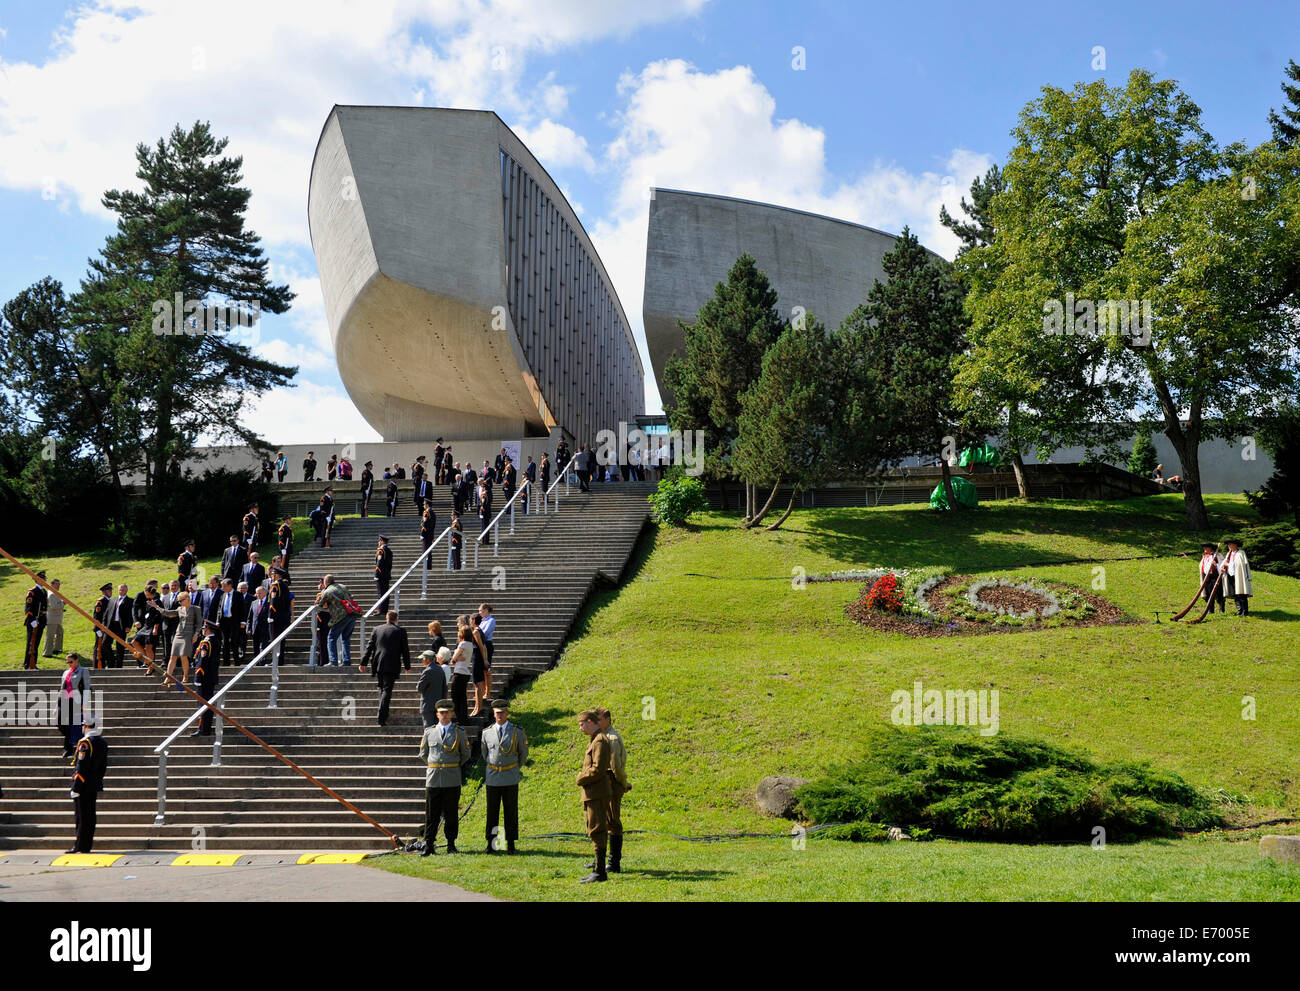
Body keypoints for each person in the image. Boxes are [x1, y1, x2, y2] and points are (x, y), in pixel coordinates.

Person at [418, 700, 471, 855]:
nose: (444, 715)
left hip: (451, 778)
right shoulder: (429, 732)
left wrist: (452, 766)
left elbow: (465, 754)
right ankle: (429, 844)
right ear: (437, 714)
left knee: (451, 813)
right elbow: (423, 754)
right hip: (434, 778)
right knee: (431, 813)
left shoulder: (459, 732)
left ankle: (451, 844)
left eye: (447, 712)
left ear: (452, 714)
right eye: (442, 712)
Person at [482, 698, 528, 854]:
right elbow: (485, 754)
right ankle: (493, 843)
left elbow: (523, 754)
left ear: (507, 713)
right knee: (492, 811)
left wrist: (514, 768)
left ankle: (510, 843)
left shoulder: (517, 731)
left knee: (510, 810)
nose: (500, 715)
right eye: (497, 713)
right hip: (493, 777)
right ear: (494, 714)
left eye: (502, 713)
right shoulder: (486, 732)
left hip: (510, 776)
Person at [576, 709, 614, 882]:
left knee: (598, 830)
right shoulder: (595, 740)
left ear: (591, 722)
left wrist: (581, 777)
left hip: (597, 792)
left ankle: (599, 871)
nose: (580, 728)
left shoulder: (600, 741)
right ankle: (598, 869)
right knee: (594, 829)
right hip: (593, 792)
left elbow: (598, 769)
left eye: (582, 724)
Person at [595, 707, 630, 873]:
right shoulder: (601, 737)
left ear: (608, 719)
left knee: (613, 821)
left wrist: (623, 783)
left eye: (600, 719)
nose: (597, 723)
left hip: (612, 782)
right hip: (603, 784)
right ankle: (600, 860)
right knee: (602, 821)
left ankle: (613, 862)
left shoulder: (612, 738)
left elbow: (616, 766)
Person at [68, 714, 108, 854]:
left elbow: (81, 767)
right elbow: (103, 766)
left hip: (83, 785)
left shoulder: (85, 743)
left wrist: (76, 786)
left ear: (86, 726)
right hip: (94, 783)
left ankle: (80, 845)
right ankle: (86, 844)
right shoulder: (102, 742)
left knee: (81, 817)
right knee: (90, 816)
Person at [361, 609, 410, 725]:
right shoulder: (400, 631)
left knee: (382, 688)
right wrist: (407, 665)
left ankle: (384, 711)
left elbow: (369, 647)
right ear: (396, 619)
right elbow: (405, 650)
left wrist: (363, 662)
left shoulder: (377, 629)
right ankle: (382, 716)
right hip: (392, 664)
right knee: (387, 689)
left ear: (386, 618)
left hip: (378, 663)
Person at [158, 591, 201, 690]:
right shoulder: (179, 609)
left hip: (189, 634)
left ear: (187, 599)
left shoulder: (196, 609)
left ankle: (185, 676)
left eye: (181, 600)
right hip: (179, 634)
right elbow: (169, 613)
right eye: (178, 601)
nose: (179, 602)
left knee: (183, 656)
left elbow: (199, 623)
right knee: (173, 656)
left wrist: (196, 634)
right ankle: (168, 677)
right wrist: (158, 608)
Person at [317, 574, 357, 667]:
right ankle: (346, 661)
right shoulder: (343, 586)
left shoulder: (327, 591)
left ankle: (333, 661)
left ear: (325, 582)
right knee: (346, 638)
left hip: (340, 616)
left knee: (331, 638)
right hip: (351, 615)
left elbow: (320, 604)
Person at [58, 653, 92, 758]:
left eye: (71, 662)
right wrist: (56, 705)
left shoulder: (83, 671)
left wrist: (84, 703)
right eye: (67, 662)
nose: (69, 664)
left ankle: (69, 749)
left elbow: (87, 688)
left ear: (77, 660)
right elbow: (61, 688)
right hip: (64, 701)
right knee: (61, 724)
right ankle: (70, 744)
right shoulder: (66, 672)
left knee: (74, 725)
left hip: (76, 701)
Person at [191, 620, 220, 736]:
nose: (202, 630)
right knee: (207, 703)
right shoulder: (215, 641)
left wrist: (198, 677)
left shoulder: (206, 643)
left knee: (203, 704)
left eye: (204, 628)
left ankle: (203, 729)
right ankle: (205, 728)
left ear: (208, 629)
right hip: (210, 677)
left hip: (204, 678)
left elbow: (203, 662)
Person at [23, 570, 49, 669]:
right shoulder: (32, 592)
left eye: (45, 579)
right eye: (43, 579)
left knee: (36, 642)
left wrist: (44, 620)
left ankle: (33, 663)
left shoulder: (44, 591)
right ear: (38, 580)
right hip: (33, 620)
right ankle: (28, 664)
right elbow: (28, 607)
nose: (45, 580)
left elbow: (44, 607)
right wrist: (31, 619)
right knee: (31, 642)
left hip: (41, 620)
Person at [449, 623, 474, 725]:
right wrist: (457, 658)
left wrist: (455, 658)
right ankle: (464, 719)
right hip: (465, 673)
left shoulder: (462, 644)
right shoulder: (470, 644)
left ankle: (461, 719)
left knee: (455, 696)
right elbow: (458, 657)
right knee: (462, 697)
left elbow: (453, 659)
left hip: (459, 672)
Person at [268, 565, 292, 665]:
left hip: (276, 617)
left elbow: (273, 601)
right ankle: (279, 660)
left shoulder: (275, 585)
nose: (271, 575)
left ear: (277, 575)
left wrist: (270, 615)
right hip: (283, 616)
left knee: (275, 639)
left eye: (273, 573)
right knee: (281, 640)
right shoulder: (284, 585)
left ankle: (275, 660)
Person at [216, 579, 243, 668]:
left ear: (230, 585)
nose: (222, 588)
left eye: (224, 586)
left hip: (234, 621)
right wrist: (218, 620)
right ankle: (226, 663)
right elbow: (220, 609)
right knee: (225, 642)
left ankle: (236, 662)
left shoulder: (238, 595)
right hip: (224, 622)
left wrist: (243, 621)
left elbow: (242, 608)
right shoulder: (223, 595)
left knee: (234, 641)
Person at [416, 649, 446, 728]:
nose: (422, 661)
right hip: (438, 704)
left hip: (427, 705)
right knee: (437, 729)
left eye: (423, 659)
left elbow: (419, 688)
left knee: (428, 729)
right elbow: (444, 687)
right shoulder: (440, 669)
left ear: (427, 660)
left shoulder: (427, 671)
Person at [1223, 538, 1253, 616]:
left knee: (1241, 593)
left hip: (1239, 576)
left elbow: (1239, 565)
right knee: (1235, 594)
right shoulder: (1229, 554)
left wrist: (1228, 565)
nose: (1229, 546)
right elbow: (1224, 563)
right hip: (1230, 576)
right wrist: (1223, 567)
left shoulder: (1240, 553)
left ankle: (1245, 611)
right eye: (1228, 545)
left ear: (1235, 545)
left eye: (1231, 544)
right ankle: (1239, 610)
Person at [105, 583, 132, 669]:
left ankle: (119, 665)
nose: (121, 591)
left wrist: (129, 626)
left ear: (126, 591)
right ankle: (111, 661)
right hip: (111, 625)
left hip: (121, 626)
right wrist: (103, 625)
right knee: (105, 643)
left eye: (123, 590)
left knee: (120, 646)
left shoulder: (130, 601)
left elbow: (131, 615)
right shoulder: (112, 600)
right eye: (120, 589)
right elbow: (107, 613)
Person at [40, 578, 66, 658]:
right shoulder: (51, 594)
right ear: (52, 585)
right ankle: (47, 653)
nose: (58, 586)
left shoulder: (55, 593)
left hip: (57, 619)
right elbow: (54, 606)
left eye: (59, 584)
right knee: (50, 636)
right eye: (57, 584)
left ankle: (57, 649)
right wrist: (63, 603)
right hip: (52, 619)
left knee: (60, 633)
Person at [1197, 541, 1225, 613]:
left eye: (1207, 547)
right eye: (1204, 547)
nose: (1205, 549)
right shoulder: (1204, 557)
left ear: (1211, 548)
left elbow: (1222, 566)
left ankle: (1221, 608)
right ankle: (1210, 609)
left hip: (1215, 576)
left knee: (1218, 593)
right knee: (1208, 593)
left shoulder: (1217, 556)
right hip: (1206, 577)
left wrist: (1216, 564)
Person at [477, 603, 496, 703]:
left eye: (481, 610)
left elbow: (485, 633)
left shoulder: (491, 620)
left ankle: (487, 692)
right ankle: (483, 691)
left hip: (487, 644)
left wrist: (476, 634)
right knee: (481, 670)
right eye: (479, 611)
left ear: (487, 610)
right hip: (480, 645)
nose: (480, 612)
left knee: (486, 670)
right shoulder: (481, 621)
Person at [91, 582, 113, 669]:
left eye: (111, 590)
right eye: (109, 590)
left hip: (107, 628)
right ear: (104, 591)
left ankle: (105, 664)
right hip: (101, 629)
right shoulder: (101, 602)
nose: (111, 591)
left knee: (106, 646)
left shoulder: (110, 601)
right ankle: (98, 666)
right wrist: (97, 629)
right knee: (99, 648)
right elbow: (96, 616)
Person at [246, 585, 271, 659]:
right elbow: (250, 617)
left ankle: (262, 661)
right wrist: (248, 627)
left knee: (263, 646)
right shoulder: (254, 602)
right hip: (255, 628)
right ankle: (256, 662)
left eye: (259, 593)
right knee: (255, 647)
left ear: (265, 593)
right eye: (256, 593)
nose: (257, 595)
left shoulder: (269, 603)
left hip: (265, 628)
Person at [374, 534, 393, 612]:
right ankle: (384, 609)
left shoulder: (381, 550)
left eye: (379, 540)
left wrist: (376, 574)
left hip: (381, 575)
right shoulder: (389, 550)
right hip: (386, 574)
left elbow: (379, 563)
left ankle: (381, 610)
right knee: (385, 592)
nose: (379, 542)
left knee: (381, 593)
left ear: (382, 541)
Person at [420, 504, 439, 570]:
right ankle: (428, 566)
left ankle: (426, 566)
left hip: (426, 534)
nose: (423, 506)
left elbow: (425, 523)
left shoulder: (427, 512)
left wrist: (422, 534)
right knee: (429, 551)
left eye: (424, 504)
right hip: (430, 534)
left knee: (425, 551)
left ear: (427, 505)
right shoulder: (433, 513)